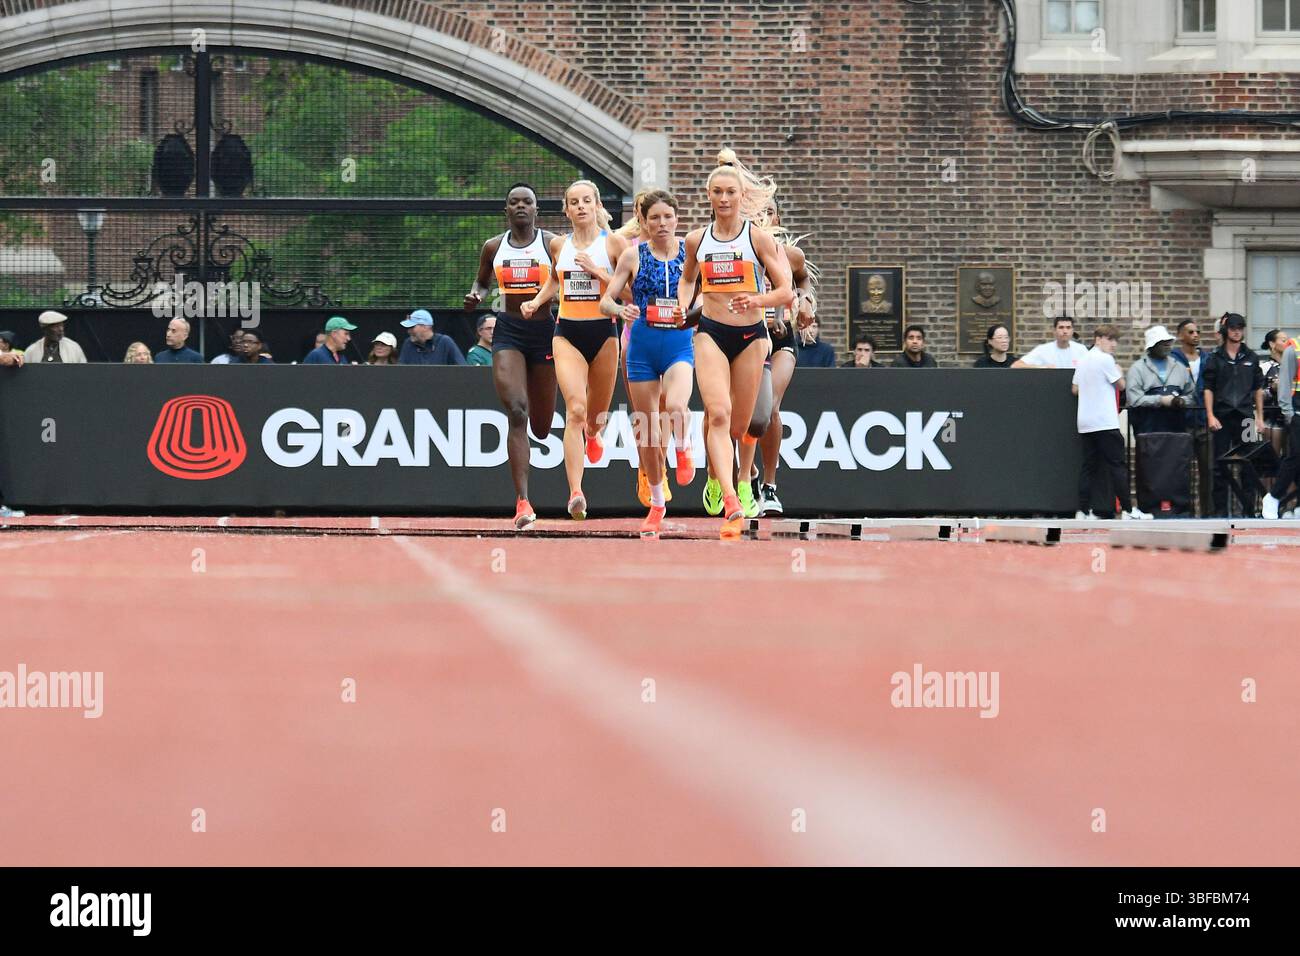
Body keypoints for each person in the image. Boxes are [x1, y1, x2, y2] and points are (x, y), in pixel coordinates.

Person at [677, 148, 793, 538]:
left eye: (730, 192)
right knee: (718, 412)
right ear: (708, 196)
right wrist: (683, 305)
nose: (723, 199)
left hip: (750, 336)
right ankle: (728, 494)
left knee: (743, 425)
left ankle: (723, 473)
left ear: (742, 197)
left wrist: (756, 300)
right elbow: (688, 279)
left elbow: (785, 292)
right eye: (717, 192)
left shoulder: (756, 238)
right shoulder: (696, 240)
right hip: (710, 331)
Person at [522, 179, 629, 520]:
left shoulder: (614, 244)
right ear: (566, 210)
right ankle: (576, 492)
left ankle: (594, 435)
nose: (581, 206)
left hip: (604, 333)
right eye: (574, 202)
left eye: (587, 200)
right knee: (575, 410)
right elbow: (555, 277)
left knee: (595, 416)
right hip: (567, 332)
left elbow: (627, 294)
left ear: (597, 206)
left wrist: (597, 271)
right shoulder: (558, 245)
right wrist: (537, 301)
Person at [466, 183, 562, 530]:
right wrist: (475, 296)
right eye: (513, 202)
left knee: (541, 424)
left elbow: (567, 279)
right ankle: (522, 501)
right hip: (508, 331)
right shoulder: (493, 247)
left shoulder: (552, 244)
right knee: (517, 412)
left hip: (545, 333)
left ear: (537, 209)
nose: (521, 206)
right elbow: (481, 283)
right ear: (505, 210)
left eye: (528, 202)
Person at [600, 188, 695, 537]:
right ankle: (657, 503)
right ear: (643, 221)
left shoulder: (690, 251)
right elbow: (606, 301)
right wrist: (619, 308)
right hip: (640, 347)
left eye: (667, 216)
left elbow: (708, 291)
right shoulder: (632, 255)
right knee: (649, 432)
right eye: (654, 217)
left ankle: (684, 448)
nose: (662, 223)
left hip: (678, 345)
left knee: (677, 403)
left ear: (676, 218)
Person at [1072, 325, 1150, 520]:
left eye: (1115, 340)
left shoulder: (1083, 360)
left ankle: (1082, 511)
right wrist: (1118, 370)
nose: (1114, 344)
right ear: (1098, 339)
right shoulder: (1106, 360)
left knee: (1088, 466)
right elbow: (1121, 385)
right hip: (1105, 422)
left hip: (1085, 422)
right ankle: (1128, 510)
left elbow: (1075, 389)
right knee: (1117, 466)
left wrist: (1092, 391)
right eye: (1110, 339)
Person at [1202, 312, 1266, 516]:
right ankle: (1220, 511)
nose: (1237, 331)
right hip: (1222, 416)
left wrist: (1260, 417)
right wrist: (1210, 415)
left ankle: (1248, 511)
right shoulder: (1215, 357)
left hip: (1247, 416)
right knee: (1219, 464)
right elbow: (1208, 388)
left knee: (1250, 465)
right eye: (1233, 328)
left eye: (1240, 328)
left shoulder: (1252, 357)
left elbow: (1258, 389)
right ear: (1225, 330)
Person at [1125, 325, 1194, 434]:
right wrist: (1160, 400)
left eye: (1169, 341)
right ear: (1152, 346)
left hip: (1177, 432)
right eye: (1162, 342)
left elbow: (1191, 394)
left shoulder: (1179, 367)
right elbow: (1134, 400)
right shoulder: (1137, 369)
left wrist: (1181, 401)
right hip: (1148, 432)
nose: (1167, 345)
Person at [1264, 334, 1300, 519]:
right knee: (1295, 456)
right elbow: (1285, 382)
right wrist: (1289, 413)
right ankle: (1273, 496)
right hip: (1297, 412)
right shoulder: (1293, 348)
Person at [1013, 316, 1087, 369]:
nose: (1065, 331)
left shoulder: (1081, 350)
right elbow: (1016, 365)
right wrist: (1044, 368)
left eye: (1068, 327)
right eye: (1061, 327)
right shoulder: (1043, 350)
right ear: (1054, 330)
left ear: (1072, 330)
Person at [399, 309, 467, 365]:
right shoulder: (408, 344)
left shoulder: (445, 342)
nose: (409, 331)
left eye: (412, 327)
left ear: (425, 326)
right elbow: (401, 372)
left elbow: (462, 369)